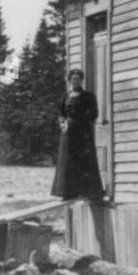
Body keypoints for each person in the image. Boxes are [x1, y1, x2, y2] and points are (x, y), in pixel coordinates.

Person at [51, 68, 105, 200]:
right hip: (68, 134)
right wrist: (62, 122)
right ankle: (68, 192)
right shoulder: (66, 96)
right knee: (68, 161)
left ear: (81, 81)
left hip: (82, 134)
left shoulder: (88, 96)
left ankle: (88, 192)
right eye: (73, 79)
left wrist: (78, 120)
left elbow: (94, 113)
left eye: (78, 79)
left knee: (84, 161)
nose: (75, 82)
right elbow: (61, 113)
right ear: (70, 81)